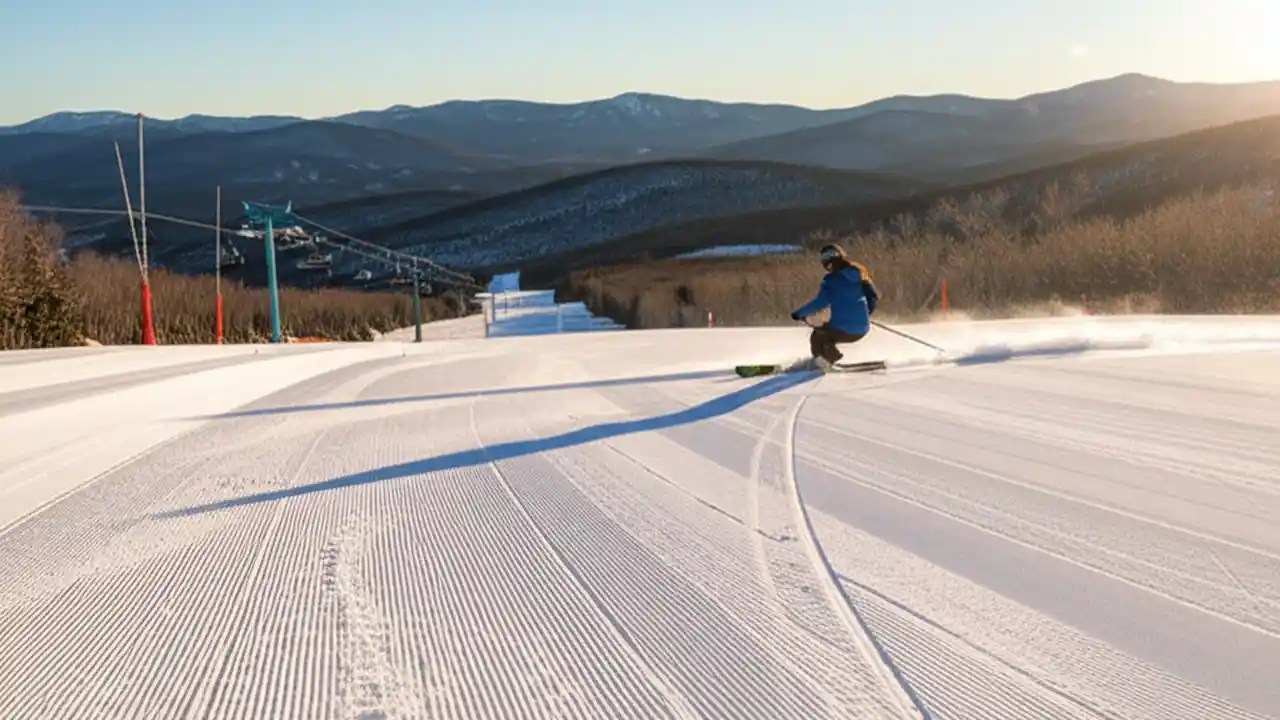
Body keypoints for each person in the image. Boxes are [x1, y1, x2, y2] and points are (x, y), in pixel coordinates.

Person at [790, 243, 879, 370]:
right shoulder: (858, 272)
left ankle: (826, 361)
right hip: (862, 328)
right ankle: (827, 359)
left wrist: (800, 313)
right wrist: (866, 314)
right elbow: (873, 296)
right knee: (824, 333)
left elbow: (820, 302)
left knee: (818, 335)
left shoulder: (830, 280)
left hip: (843, 328)